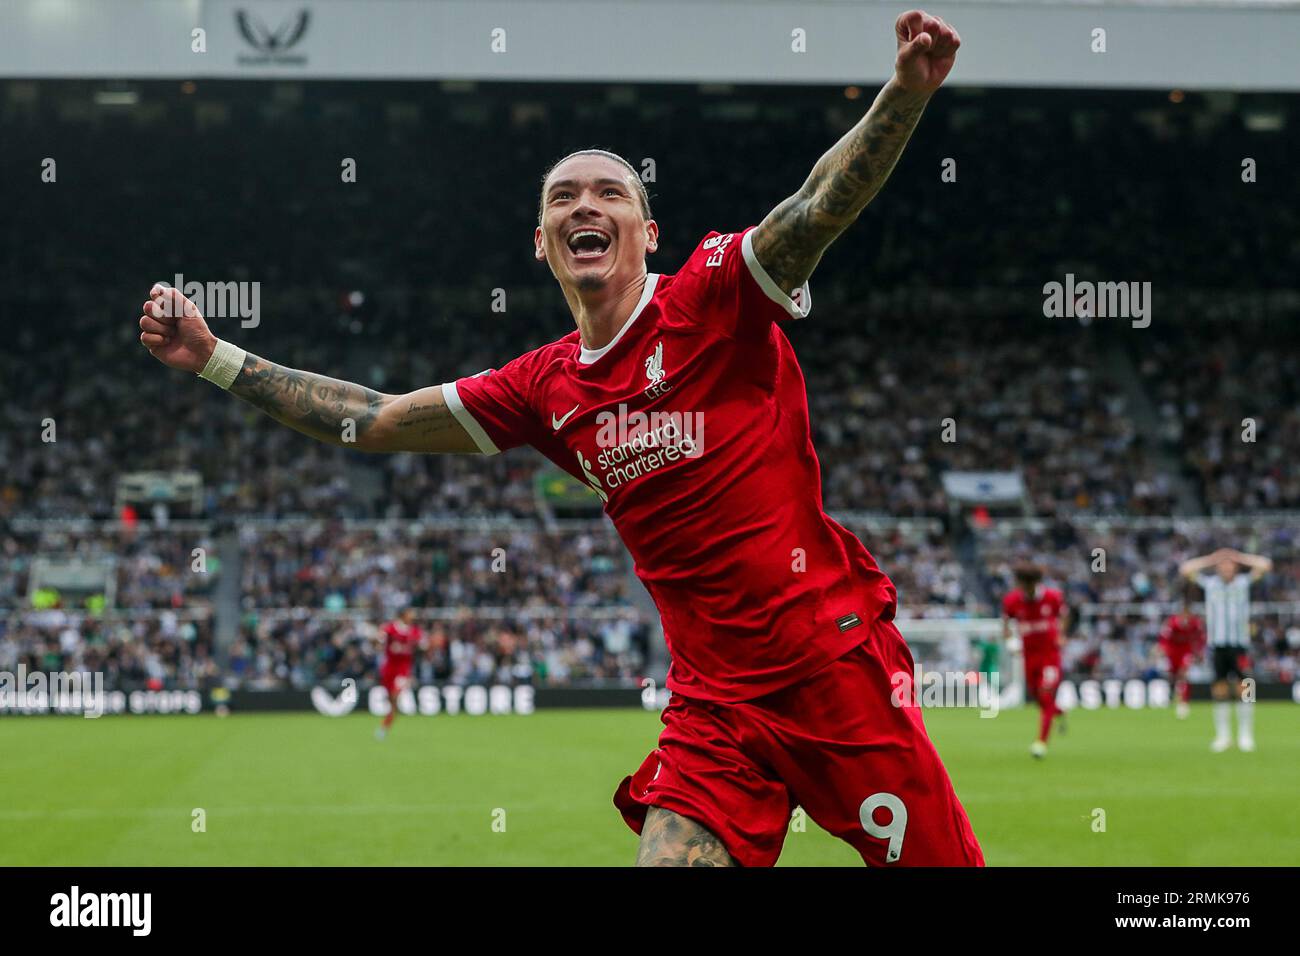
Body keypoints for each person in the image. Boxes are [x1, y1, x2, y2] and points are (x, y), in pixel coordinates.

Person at [138, 10, 980, 866]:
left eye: (611, 193)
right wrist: (215, 359)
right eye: (564, 199)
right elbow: (379, 419)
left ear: (649, 236)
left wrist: (904, 95)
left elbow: (813, 209)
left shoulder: (710, 298)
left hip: (828, 670)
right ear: (542, 246)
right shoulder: (542, 388)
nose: (587, 204)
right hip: (714, 711)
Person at [1179, 547, 1271, 752]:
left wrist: (1240, 557)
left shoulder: (1243, 582)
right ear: (1218, 568)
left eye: (1230, 564)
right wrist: (1211, 559)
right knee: (1219, 689)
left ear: (1236, 567)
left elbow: (1265, 564)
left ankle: (1246, 735)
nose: (1227, 567)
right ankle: (1223, 736)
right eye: (1223, 565)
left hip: (1240, 645)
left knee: (1245, 688)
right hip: (1218, 645)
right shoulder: (1210, 584)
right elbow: (1185, 569)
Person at [1001, 563, 1067, 758]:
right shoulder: (1012, 601)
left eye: (1025, 584)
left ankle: (1041, 742)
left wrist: (1061, 634)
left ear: (1035, 583)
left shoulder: (1052, 597)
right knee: (1037, 697)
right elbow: (1005, 625)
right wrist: (1011, 641)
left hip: (1049, 655)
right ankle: (1058, 712)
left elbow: (1063, 616)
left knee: (1046, 694)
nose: (1022, 588)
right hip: (1029, 656)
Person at [375, 607, 424, 740]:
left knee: (395, 696)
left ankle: (384, 727)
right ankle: (387, 723)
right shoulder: (391, 628)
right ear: (403, 615)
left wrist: (422, 646)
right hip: (389, 668)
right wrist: (379, 640)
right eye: (410, 614)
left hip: (403, 669)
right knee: (391, 700)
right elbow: (379, 638)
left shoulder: (415, 631)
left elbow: (423, 644)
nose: (412, 616)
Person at [1157, 591, 1205, 720]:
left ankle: (1184, 702)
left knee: (1183, 674)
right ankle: (1172, 696)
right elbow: (1164, 638)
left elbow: (1200, 638)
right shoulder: (1171, 622)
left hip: (1186, 650)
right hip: (1173, 651)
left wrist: (1199, 652)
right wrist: (1162, 650)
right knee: (1173, 676)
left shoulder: (1196, 623)